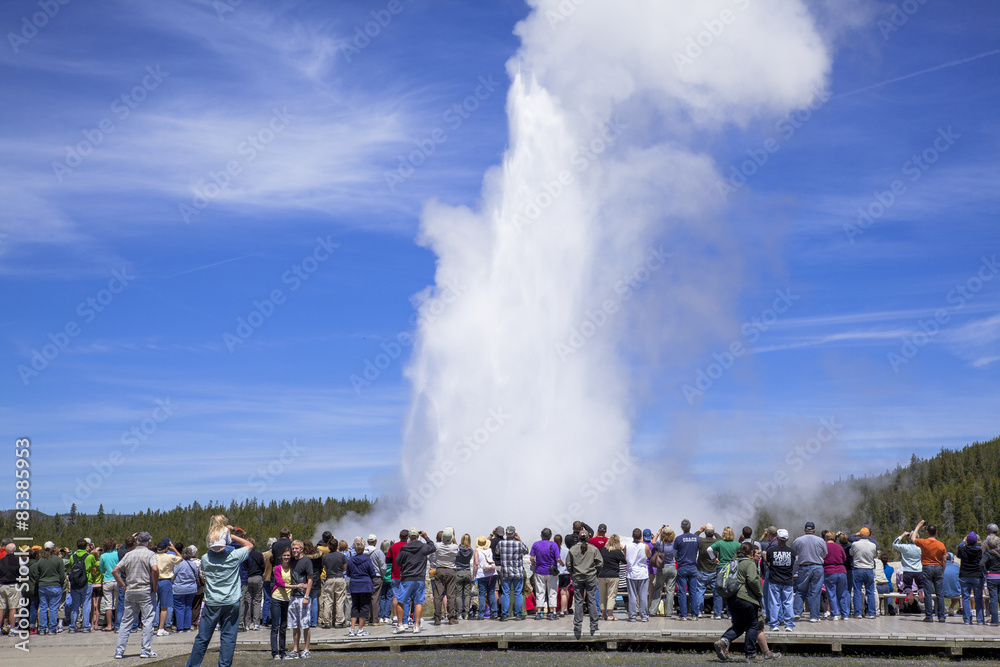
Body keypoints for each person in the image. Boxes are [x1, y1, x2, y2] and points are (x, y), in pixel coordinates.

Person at [184, 523, 252, 667]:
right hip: (231, 601)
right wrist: (230, 535)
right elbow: (249, 545)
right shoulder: (234, 556)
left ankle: (193, 665)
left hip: (212, 602)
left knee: (202, 638)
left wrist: (216, 533)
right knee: (228, 638)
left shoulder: (205, 559)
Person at [713, 543, 769, 662]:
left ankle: (723, 641)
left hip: (731, 598)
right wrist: (759, 593)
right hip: (745, 598)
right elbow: (752, 580)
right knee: (752, 625)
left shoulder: (733, 562)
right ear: (751, 552)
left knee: (739, 625)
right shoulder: (748, 563)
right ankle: (750, 654)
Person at [113, 531, 159, 660]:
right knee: (147, 620)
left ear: (137, 541)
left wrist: (123, 585)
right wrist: (154, 585)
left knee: (126, 622)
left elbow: (115, 571)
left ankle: (119, 651)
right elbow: (155, 569)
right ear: (148, 542)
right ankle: (145, 650)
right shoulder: (150, 554)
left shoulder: (129, 554)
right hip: (145, 590)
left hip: (131, 589)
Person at [394, 528, 435, 633]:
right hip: (419, 578)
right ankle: (416, 625)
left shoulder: (404, 548)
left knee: (401, 601)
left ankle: (400, 625)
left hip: (406, 578)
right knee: (418, 603)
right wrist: (426, 537)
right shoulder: (423, 547)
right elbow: (433, 547)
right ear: (418, 536)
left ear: (409, 537)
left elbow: (398, 563)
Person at [566, 527, 602, 638]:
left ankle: (577, 625)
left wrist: (572, 573)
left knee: (578, 602)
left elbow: (568, 564)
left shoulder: (572, 549)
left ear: (578, 537)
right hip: (590, 577)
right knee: (591, 601)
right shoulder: (593, 549)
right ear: (588, 538)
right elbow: (600, 563)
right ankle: (594, 624)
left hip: (577, 578)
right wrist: (596, 572)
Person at [911, 520, 947, 623]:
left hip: (927, 567)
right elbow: (944, 560)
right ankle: (941, 616)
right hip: (938, 567)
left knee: (928, 593)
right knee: (939, 593)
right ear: (936, 532)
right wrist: (942, 570)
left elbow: (913, 538)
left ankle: (929, 616)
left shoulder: (924, 542)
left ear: (927, 532)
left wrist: (918, 526)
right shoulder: (941, 545)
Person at [791, 522, 826, 622]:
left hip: (803, 567)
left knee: (800, 590)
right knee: (815, 592)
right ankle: (814, 616)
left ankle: (797, 613)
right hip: (817, 567)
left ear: (804, 529)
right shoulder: (820, 540)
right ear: (814, 530)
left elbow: (794, 553)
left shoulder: (798, 540)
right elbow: (825, 554)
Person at [30, 542, 65, 635]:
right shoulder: (58, 560)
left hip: (42, 586)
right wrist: (60, 583)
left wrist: (40, 583)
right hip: (55, 585)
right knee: (53, 608)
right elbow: (62, 575)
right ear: (53, 548)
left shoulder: (40, 561)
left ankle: (42, 628)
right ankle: (52, 629)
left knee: (43, 608)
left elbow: (37, 575)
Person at [765, 529, 795, 631]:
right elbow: (793, 564)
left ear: (777, 538)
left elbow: (768, 563)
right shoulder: (792, 551)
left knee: (774, 603)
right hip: (787, 580)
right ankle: (789, 624)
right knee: (788, 603)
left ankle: (774, 624)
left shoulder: (771, 551)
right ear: (787, 539)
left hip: (774, 580)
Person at [497, 526, 529, 621]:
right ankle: (518, 614)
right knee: (518, 593)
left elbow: (497, 552)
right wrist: (519, 539)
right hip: (517, 572)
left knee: (505, 593)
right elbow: (526, 551)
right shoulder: (519, 544)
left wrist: (506, 540)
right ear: (514, 533)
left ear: (506, 534)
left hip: (505, 572)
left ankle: (504, 615)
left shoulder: (501, 543)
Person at [347, 538, 377, 637]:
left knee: (355, 606)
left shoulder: (351, 560)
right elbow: (373, 573)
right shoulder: (367, 560)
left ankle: (352, 629)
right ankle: (360, 629)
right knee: (364, 607)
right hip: (365, 585)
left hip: (354, 584)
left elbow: (348, 573)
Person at [530, 528, 562, 621]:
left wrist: (533, 562)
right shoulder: (553, 544)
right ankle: (552, 612)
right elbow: (558, 559)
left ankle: (539, 612)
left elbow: (531, 557)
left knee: (540, 592)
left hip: (539, 571)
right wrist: (562, 563)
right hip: (551, 572)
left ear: (541, 535)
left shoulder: (536, 544)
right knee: (552, 591)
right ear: (550, 536)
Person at [709, 527, 740, 620]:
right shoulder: (737, 544)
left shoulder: (720, 543)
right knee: (731, 590)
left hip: (721, 568)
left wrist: (714, 558)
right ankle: (731, 614)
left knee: (719, 590)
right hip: (732, 568)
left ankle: (717, 613)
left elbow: (709, 549)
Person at [67, 538, 98, 632]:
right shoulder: (90, 557)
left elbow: (71, 567)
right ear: (86, 546)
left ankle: (72, 626)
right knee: (86, 604)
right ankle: (86, 626)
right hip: (87, 581)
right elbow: (94, 567)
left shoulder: (72, 557)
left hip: (75, 583)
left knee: (75, 605)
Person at [154, 538, 183, 636]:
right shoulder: (170, 557)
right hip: (166, 581)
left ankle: (152, 625)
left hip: (155, 580)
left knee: (153, 605)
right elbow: (180, 558)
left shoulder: (154, 557)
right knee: (164, 607)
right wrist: (174, 549)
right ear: (166, 549)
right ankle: (161, 628)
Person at [270, 547, 294, 659]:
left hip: (287, 599)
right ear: (281, 556)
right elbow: (280, 583)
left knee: (283, 627)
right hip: (277, 598)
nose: (286, 557)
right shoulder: (277, 568)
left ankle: (282, 651)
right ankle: (275, 652)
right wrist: (296, 586)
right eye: (284, 555)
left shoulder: (292, 568)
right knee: (275, 626)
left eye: (288, 555)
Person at [673, 519, 700, 620]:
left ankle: (683, 615)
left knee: (682, 592)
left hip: (682, 567)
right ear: (690, 527)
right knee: (693, 592)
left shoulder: (678, 539)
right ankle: (694, 615)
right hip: (693, 567)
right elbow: (698, 550)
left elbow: (674, 554)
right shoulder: (696, 538)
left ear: (682, 527)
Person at [432, 527, 459, 625]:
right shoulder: (454, 547)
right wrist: (453, 536)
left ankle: (437, 618)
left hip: (439, 570)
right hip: (450, 570)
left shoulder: (437, 546)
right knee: (451, 595)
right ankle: (451, 617)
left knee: (438, 595)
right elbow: (457, 547)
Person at [956, 532, 984, 625]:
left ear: (967, 541)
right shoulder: (979, 550)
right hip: (976, 575)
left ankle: (967, 619)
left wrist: (963, 541)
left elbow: (959, 550)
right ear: (976, 541)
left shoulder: (962, 549)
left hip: (964, 575)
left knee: (965, 598)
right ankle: (980, 620)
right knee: (978, 598)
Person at [648, 527, 676, 618]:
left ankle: (653, 610)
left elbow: (653, 542)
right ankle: (669, 612)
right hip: (672, 567)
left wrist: (658, 532)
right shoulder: (674, 543)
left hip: (662, 567)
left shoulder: (660, 543)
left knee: (658, 589)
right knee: (670, 590)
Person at [693, 524, 720, 620]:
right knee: (717, 593)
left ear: (705, 532)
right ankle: (717, 613)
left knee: (700, 591)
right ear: (712, 533)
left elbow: (694, 537)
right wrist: (715, 532)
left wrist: (700, 530)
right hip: (713, 570)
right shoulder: (716, 542)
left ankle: (699, 612)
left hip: (702, 570)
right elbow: (721, 539)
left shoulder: (701, 541)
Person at [850, 527, 878, 618]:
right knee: (870, 592)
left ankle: (858, 612)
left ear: (860, 534)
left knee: (857, 591)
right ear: (869, 535)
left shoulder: (855, 544)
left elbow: (851, 553)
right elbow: (874, 555)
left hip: (858, 568)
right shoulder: (873, 545)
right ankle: (872, 613)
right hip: (869, 569)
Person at [625, 528, 651, 622]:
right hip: (642, 573)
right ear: (641, 537)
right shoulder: (645, 546)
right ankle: (644, 616)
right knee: (643, 596)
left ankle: (632, 616)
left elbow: (625, 557)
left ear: (632, 536)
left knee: (632, 596)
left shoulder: (627, 546)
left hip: (631, 573)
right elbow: (649, 555)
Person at [173, 546, 201, 633]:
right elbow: (196, 575)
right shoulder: (193, 565)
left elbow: (173, 575)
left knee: (179, 607)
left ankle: (180, 627)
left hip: (179, 588)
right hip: (191, 589)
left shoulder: (179, 565)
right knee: (188, 607)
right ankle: (187, 626)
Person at [321, 538, 347, 629]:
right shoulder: (342, 556)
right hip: (339, 578)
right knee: (339, 601)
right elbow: (344, 568)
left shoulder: (326, 557)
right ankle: (339, 622)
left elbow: (324, 568)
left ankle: (326, 621)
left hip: (329, 578)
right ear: (337, 546)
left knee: (328, 601)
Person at [822, 530, 848, 621]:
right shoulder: (839, 547)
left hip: (829, 570)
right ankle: (845, 614)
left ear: (826, 538)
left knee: (831, 594)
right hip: (841, 570)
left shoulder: (824, 547)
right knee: (842, 594)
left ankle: (835, 614)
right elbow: (844, 558)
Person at [0, 544, 23, 635]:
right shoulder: (18, 560)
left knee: (1, 608)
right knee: (13, 608)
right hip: (13, 585)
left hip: (2, 585)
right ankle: (12, 629)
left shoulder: (1, 561)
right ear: (14, 550)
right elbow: (23, 572)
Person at [473, 535, 497, 620]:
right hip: (492, 573)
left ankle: (481, 615)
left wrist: (473, 575)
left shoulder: (476, 551)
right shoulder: (490, 550)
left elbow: (476, 564)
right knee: (491, 593)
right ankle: (494, 613)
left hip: (482, 575)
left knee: (482, 595)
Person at [242, 538, 264, 631]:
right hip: (257, 577)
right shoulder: (259, 554)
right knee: (257, 601)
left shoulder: (244, 554)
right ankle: (256, 623)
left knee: (247, 601)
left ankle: (247, 623)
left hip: (247, 578)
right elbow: (263, 566)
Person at [98, 539, 119, 632]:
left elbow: (101, 570)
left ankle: (109, 625)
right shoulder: (117, 554)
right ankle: (116, 624)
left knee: (108, 604)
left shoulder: (103, 556)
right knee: (117, 603)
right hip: (117, 579)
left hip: (107, 580)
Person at [364, 534, 385, 627]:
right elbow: (383, 566)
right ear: (376, 542)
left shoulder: (363, 551)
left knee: (366, 597)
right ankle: (375, 619)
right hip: (376, 576)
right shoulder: (378, 552)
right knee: (375, 598)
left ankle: (366, 620)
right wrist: (382, 574)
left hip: (365, 577)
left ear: (367, 542)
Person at [455, 534, 474, 620]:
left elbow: (456, 546)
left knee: (458, 594)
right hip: (467, 571)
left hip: (459, 571)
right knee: (467, 594)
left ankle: (459, 613)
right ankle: (466, 613)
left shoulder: (458, 549)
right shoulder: (471, 550)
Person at [982, 533, 1000, 627]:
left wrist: (986, 571)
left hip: (992, 577)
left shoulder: (988, 553)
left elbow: (981, 564)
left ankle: (995, 621)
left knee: (993, 599)